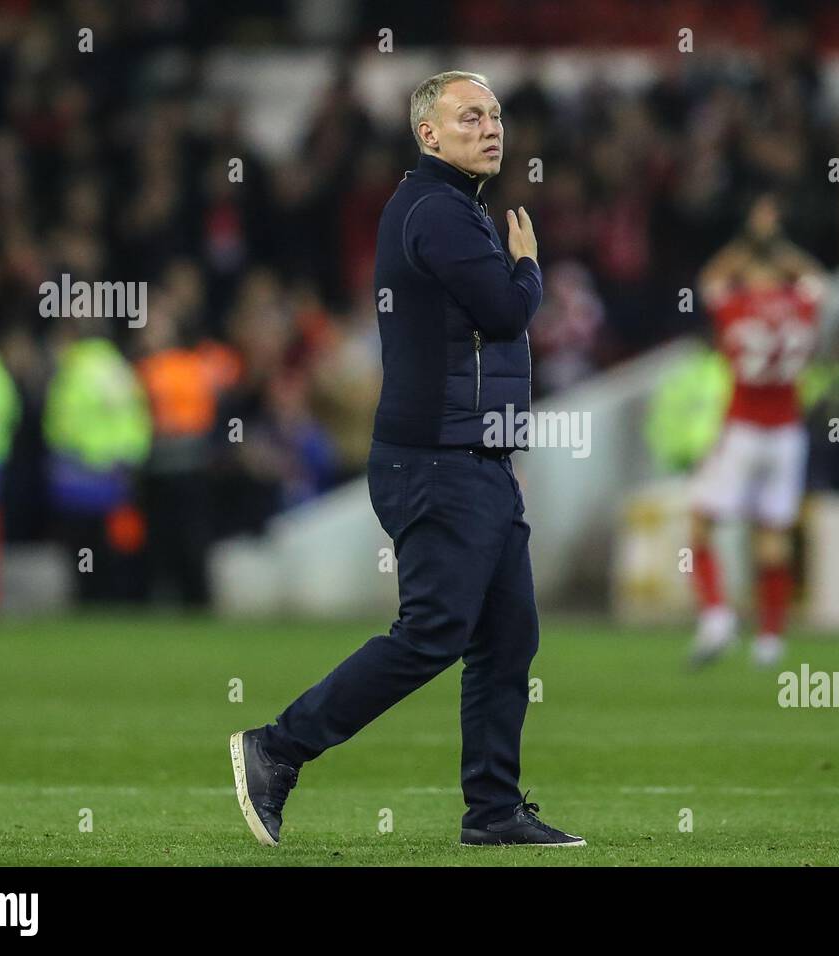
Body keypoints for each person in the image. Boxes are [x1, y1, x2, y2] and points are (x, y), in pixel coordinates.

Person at [230, 71, 584, 848]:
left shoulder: (448, 209)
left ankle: (492, 810)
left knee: (508, 635)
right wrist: (528, 267)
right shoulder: (439, 211)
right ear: (428, 134)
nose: (490, 127)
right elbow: (504, 312)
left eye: (494, 115)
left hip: (471, 457)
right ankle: (277, 747)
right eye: (469, 117)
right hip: (436, 461)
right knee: (433, 632)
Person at [686, 193, 827, 669]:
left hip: (744, 427)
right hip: (787, 434)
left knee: (702, 524)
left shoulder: (739, 304)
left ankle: (718, 617)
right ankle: (769, 640)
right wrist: (778, 244)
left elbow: (711, 278)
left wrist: (750, 241)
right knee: (773, 536)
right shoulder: (800, 305)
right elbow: (817, 280)